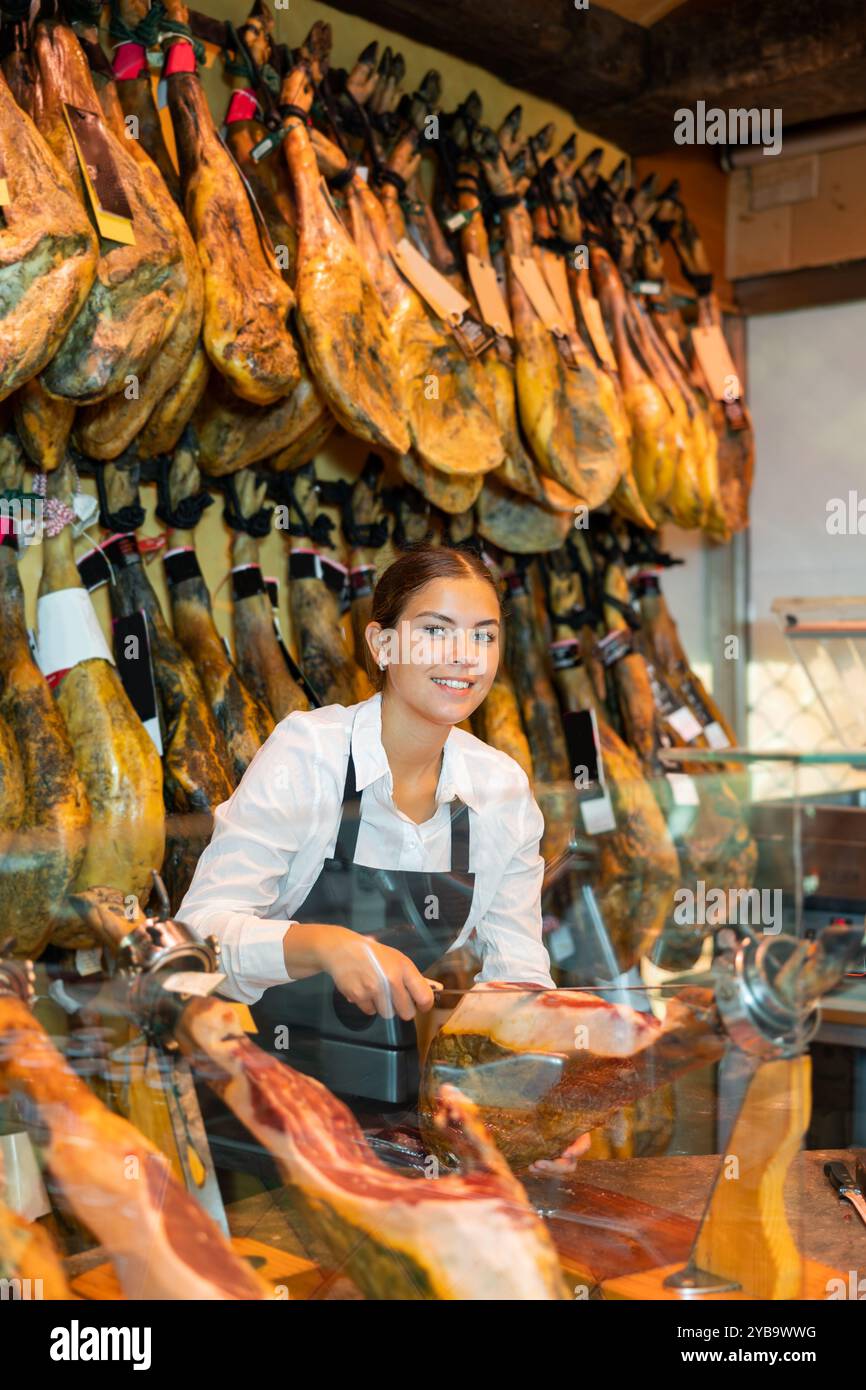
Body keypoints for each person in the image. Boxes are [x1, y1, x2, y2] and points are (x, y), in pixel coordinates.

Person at [179, 544, 554, 1029]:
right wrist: (327, 946)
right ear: (381, 645)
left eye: (484, 636)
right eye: (435, 631)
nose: (465, 657)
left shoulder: (499, 786)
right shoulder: (310, 752)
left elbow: (519, 973)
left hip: (401, 1080)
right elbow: (199, 934)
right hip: (269, 1070)